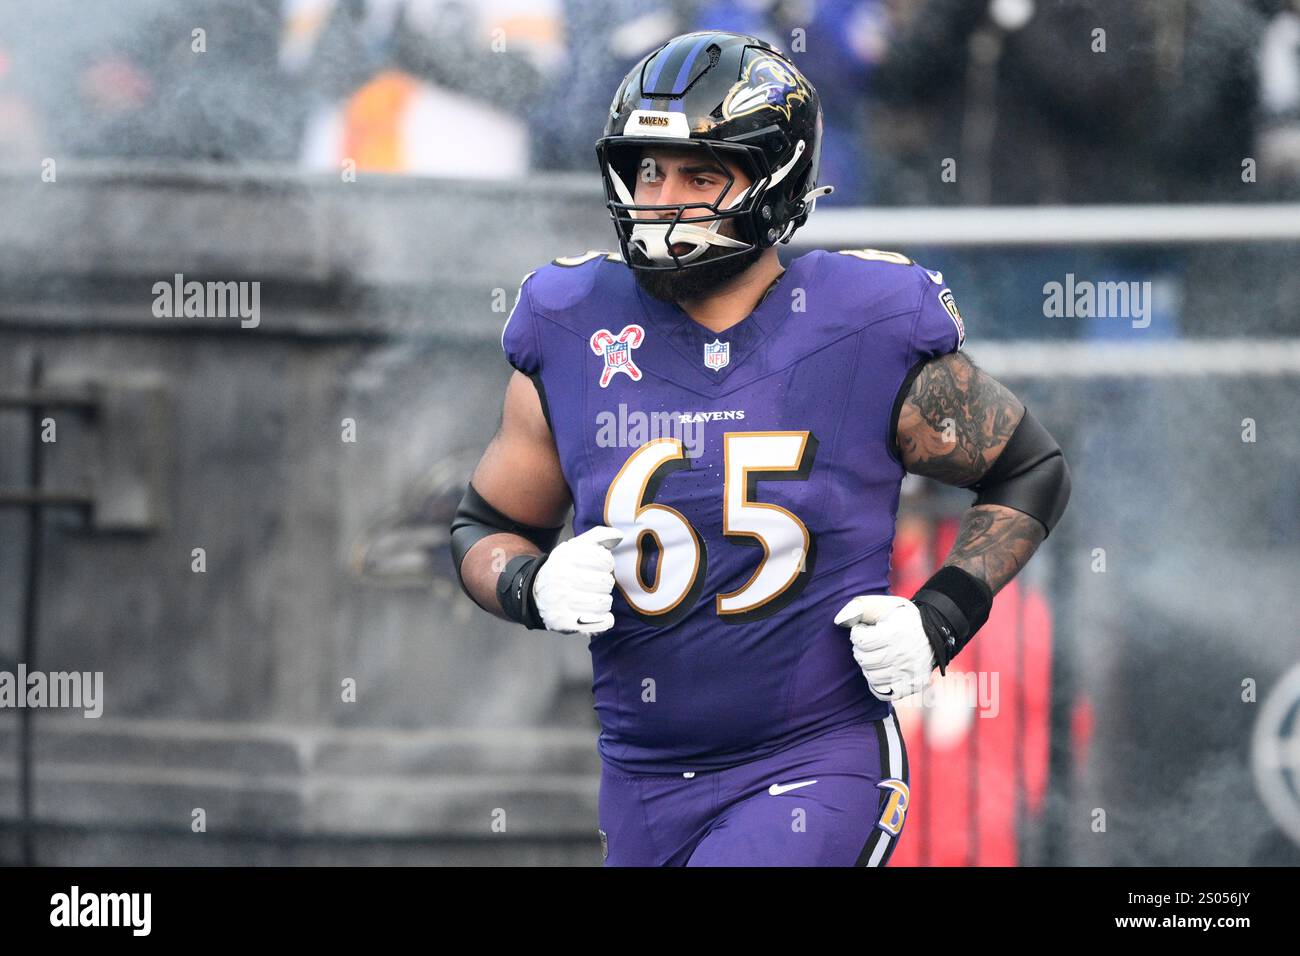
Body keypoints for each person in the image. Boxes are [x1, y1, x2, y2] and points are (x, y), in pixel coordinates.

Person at [450, 30, 1070, 866]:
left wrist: (941, 616)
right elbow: (486, 525)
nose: (662, 197)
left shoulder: (861, 322)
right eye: (648, 169)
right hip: (640, 776)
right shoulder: (571, 322)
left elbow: (1028, 468)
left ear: (774, 182)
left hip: (812, 760)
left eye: (700, 175)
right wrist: (528, 582)